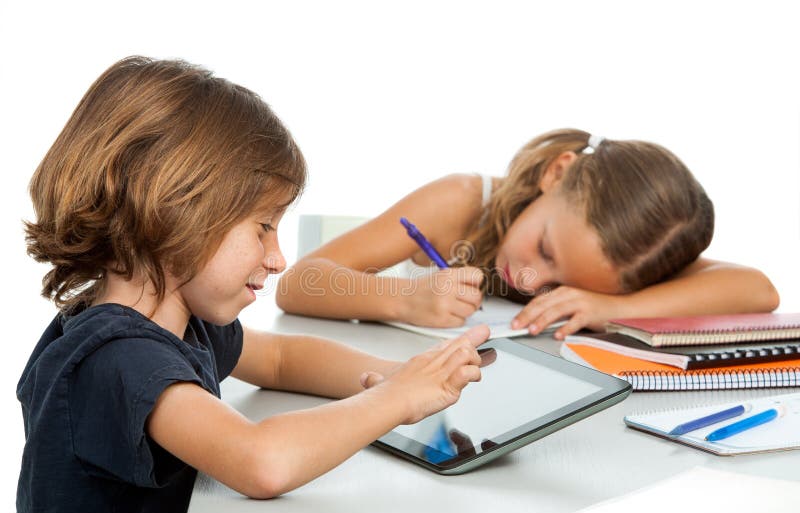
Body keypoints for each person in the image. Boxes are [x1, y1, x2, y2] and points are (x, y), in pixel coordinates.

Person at [14, 56, 489, 513]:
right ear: (176, 213)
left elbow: (281, 358)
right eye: (263, 228)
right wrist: (399, 400)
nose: (278, 257)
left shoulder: (179, 319)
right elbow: (261, 461)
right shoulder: (117, 359)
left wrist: (399, 375)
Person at [277, 129, 780, 338]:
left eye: (561, 281)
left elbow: (758, 289)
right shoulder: (461, 203)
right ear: (555, 174)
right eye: (543, 248)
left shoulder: (636, 251)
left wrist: (611, 306)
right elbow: (298, 283)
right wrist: (405, 298)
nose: (529, 277)